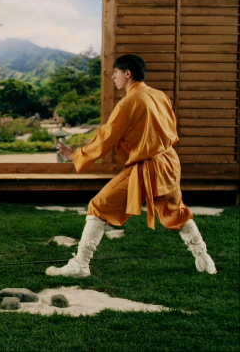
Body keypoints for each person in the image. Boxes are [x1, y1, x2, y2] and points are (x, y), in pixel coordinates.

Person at [47, 54, 216, 278]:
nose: (113, 77)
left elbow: (106, 138)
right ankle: (204, 258)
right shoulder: (160, 95)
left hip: (148, 166)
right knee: (176, 211)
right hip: (169, 162)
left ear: (127, 73)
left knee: (98, 206)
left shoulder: (128, 103)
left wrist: (76, 155)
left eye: (115, 72)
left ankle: (80, 264)